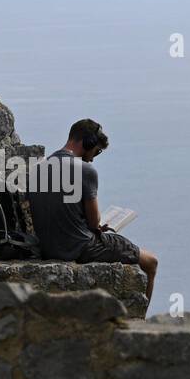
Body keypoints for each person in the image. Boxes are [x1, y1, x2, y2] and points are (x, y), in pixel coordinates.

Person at [25, 119, 158, 305]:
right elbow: (94, 223)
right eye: (96, 151)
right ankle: (142, 318)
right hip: (81, 247)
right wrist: (97, 227)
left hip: (49, 248)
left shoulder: (37, 169)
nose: (93, 158)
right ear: (87, 142)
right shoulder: (85, 170)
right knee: (151, 262)